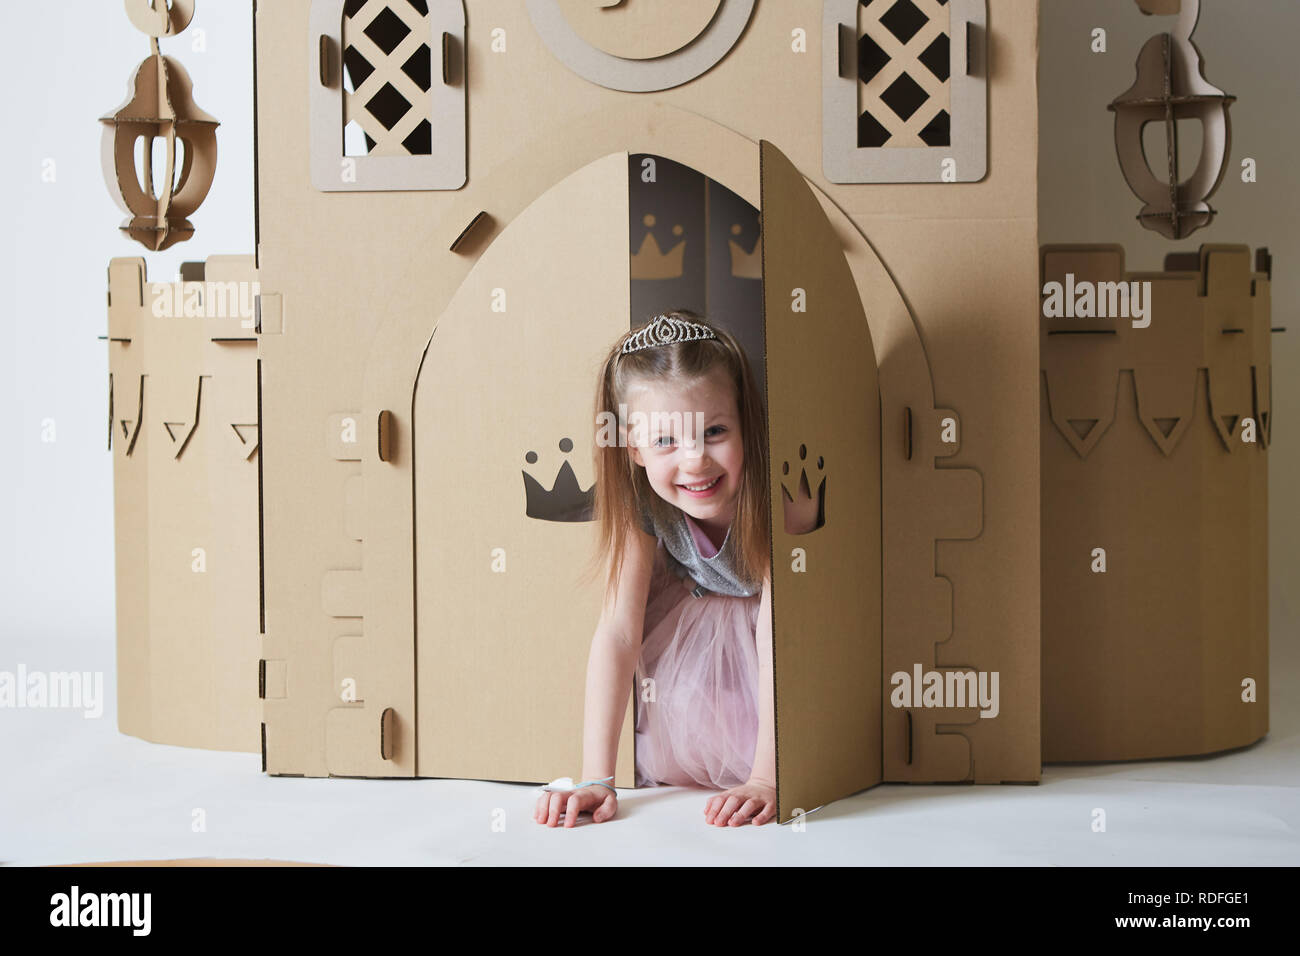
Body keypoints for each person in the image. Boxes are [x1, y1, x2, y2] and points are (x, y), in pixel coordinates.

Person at [533, 310, 777, 829]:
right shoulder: (642, 505)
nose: (694, 460)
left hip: (779, 643)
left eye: (714, 431)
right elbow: (620, 631)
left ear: (745, 424)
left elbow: (784, 634)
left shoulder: (772, 496)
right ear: (635, 448)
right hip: (697, 628)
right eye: (666, 441)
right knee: (672, 740)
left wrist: (768, 778)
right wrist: (596, 777)